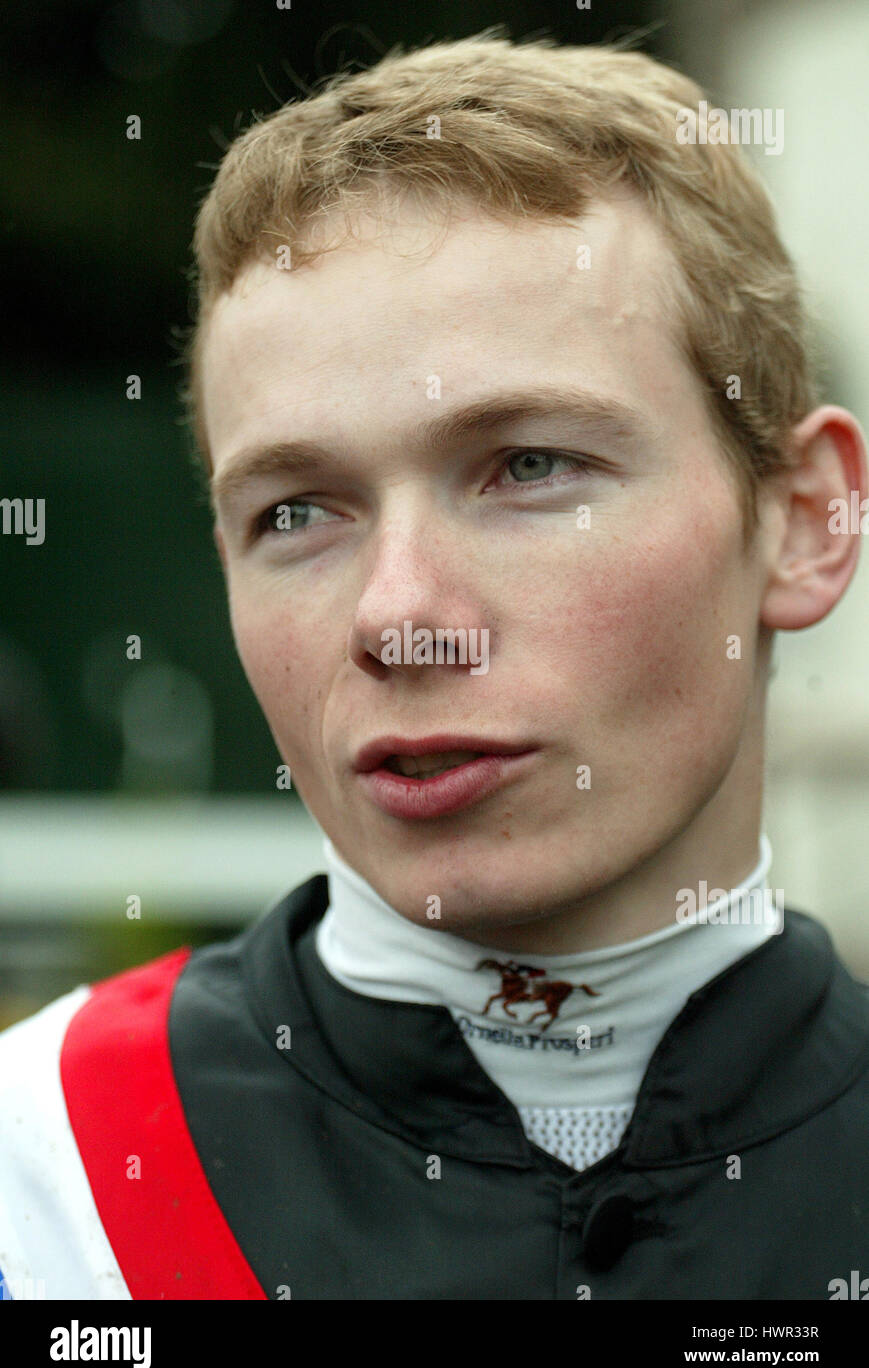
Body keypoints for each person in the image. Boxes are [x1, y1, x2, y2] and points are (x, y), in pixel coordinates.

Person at [1, 32, 868, 1302]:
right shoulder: (50, 1185)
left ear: (803, 521)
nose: (399, 617)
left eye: (529, 466)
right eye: (296, 510)